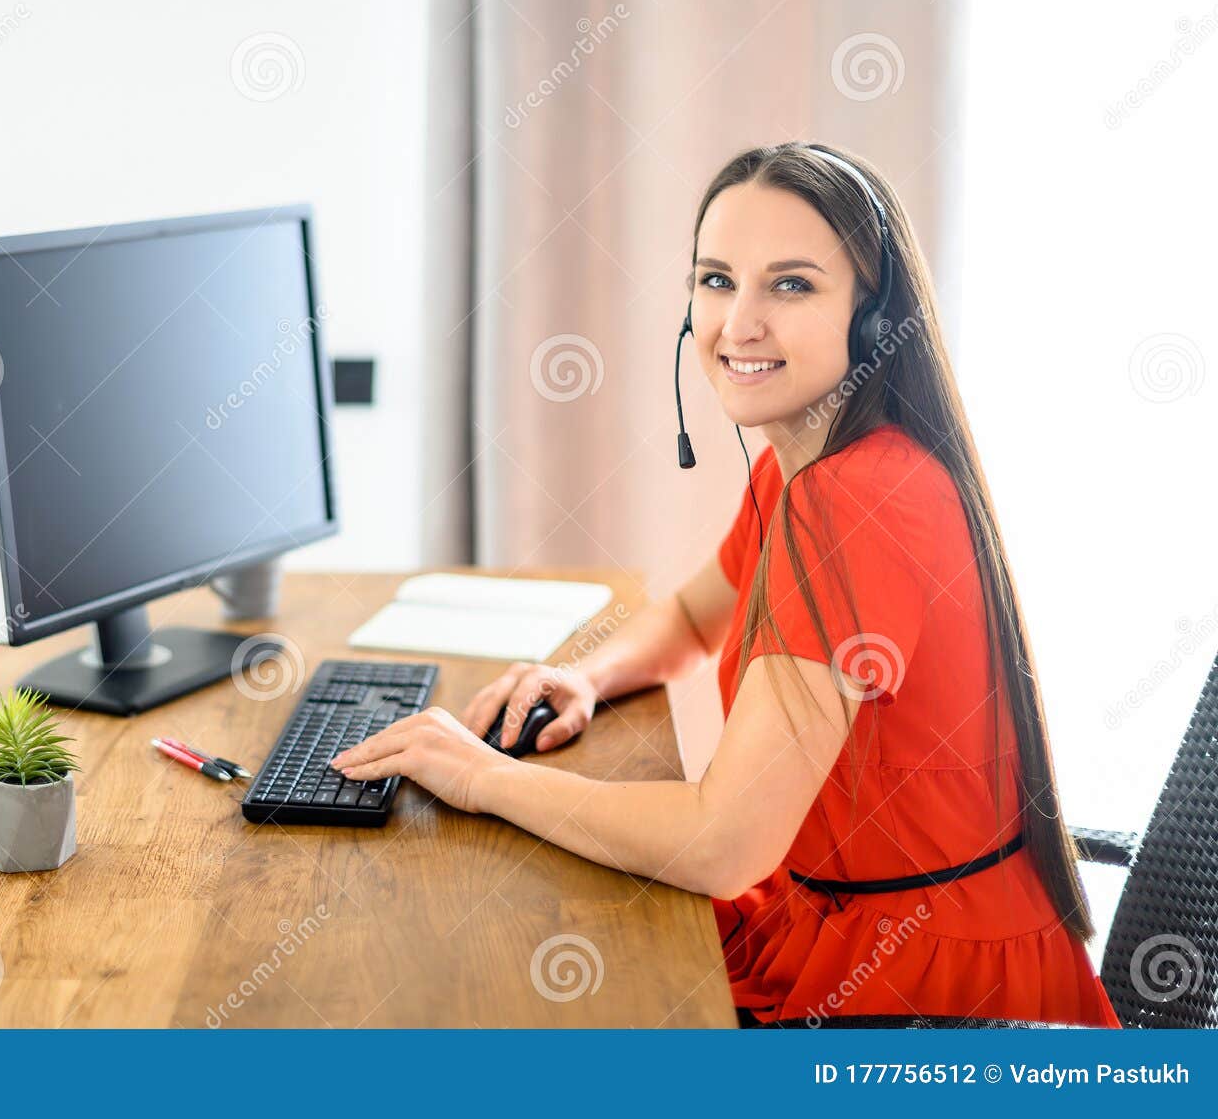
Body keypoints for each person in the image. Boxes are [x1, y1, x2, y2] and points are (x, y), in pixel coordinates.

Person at [331, 141, 1119, 1027]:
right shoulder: (808, 463)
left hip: (929, 1000)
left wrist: (482, 778)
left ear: (870, 318)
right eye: (715, 280)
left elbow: (722, 843)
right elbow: (692, 617)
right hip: (834, 921)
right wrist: (586, 677)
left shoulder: (856, 500)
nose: (736, 323)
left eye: (790, 285)